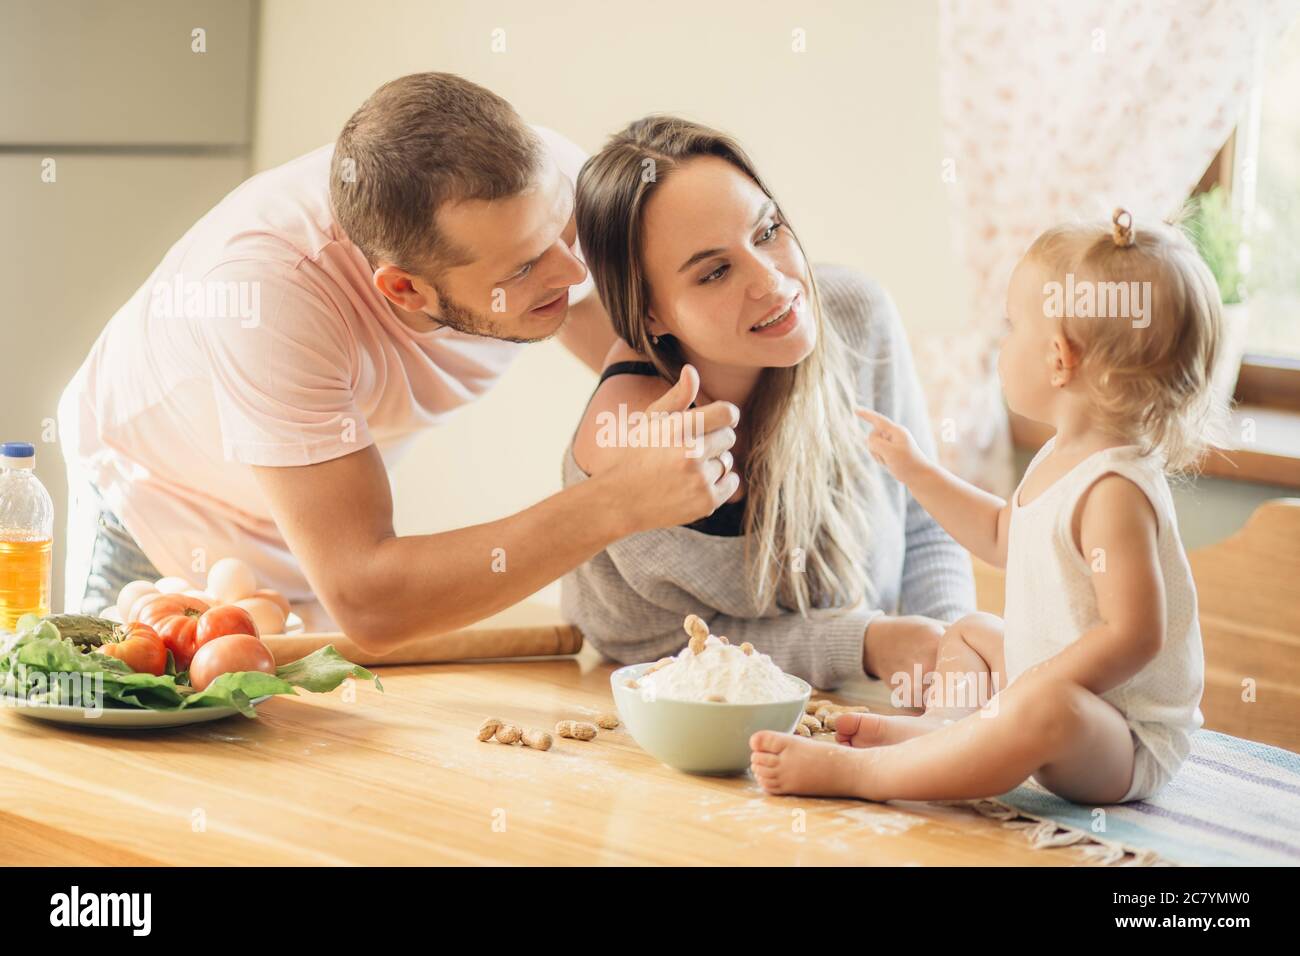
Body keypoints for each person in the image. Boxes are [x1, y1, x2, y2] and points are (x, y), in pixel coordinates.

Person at [57, 74, 739, 649]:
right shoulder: (269, 298)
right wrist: (613, 503)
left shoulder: (546, 185)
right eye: (528, 265)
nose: (574, 268)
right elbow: (369, 598)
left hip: (324, 537)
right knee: (137, 771)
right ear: (404, 289)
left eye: (562, 229)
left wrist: (783, 426)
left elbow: (653, 372)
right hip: (164, 519)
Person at [752, 210, 1217, 804]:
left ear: (1057, 359)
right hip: (1058, 701)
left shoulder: (1114, 491)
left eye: (1011, 327)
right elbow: (1003, 532)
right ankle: (939, 735)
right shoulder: (1063, 453)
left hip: (1122, 740)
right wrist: (917, 470)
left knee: (1045, 703)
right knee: (970, 632)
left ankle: (870, 776)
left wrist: (1032, 687)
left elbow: (1135, 635)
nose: (1001, 345)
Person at [560, 116, 977, 690]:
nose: (774, 283)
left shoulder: (857, 314)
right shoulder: (631, 445)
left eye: (767, 232)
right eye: (715, 272)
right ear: (650, 314)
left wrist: (955, 654)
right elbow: (655, 648)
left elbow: (925, 520)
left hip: (873, 710)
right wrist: (865, 643)